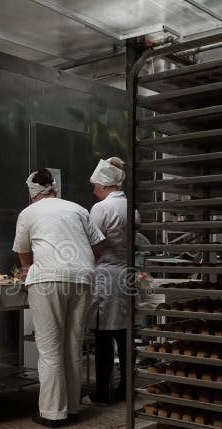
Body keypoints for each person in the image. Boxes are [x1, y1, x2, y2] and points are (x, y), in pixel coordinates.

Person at [13, 169, 105, 428]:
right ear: (53, 188)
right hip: (83, 278)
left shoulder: (28, 213)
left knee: (50, 349)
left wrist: (29, 270)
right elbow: (97, 247)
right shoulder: (77, 209)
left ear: (32, 193)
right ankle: (73, 408)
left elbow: (23, 253)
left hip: (48, 280)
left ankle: (53, 413)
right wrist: (77, 266)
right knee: (73, 346)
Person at [86, 156, 134, 405]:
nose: (93, 188)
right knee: (124, 337)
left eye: (95, 184)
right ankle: (126, 389)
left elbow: (94, 245)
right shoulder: (131, 208)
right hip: (127, 275)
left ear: (104, 184)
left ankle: (103, 392)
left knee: (103, 337)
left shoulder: (101, 208)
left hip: (105, 275)